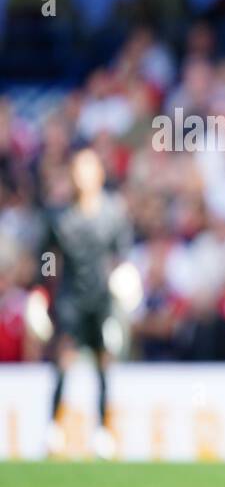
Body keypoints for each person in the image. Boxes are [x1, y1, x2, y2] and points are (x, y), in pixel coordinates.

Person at [42, 149, 132, 459]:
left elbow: (122, 255)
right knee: (64, 359)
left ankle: (104, 431)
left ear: (99, 174)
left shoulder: (112, 214)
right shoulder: (60, 217)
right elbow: (48, 257)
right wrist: (45, 288)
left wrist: (124, 281)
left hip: (102, 298)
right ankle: (53, 428)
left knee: (103, 363)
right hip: (70, 298)